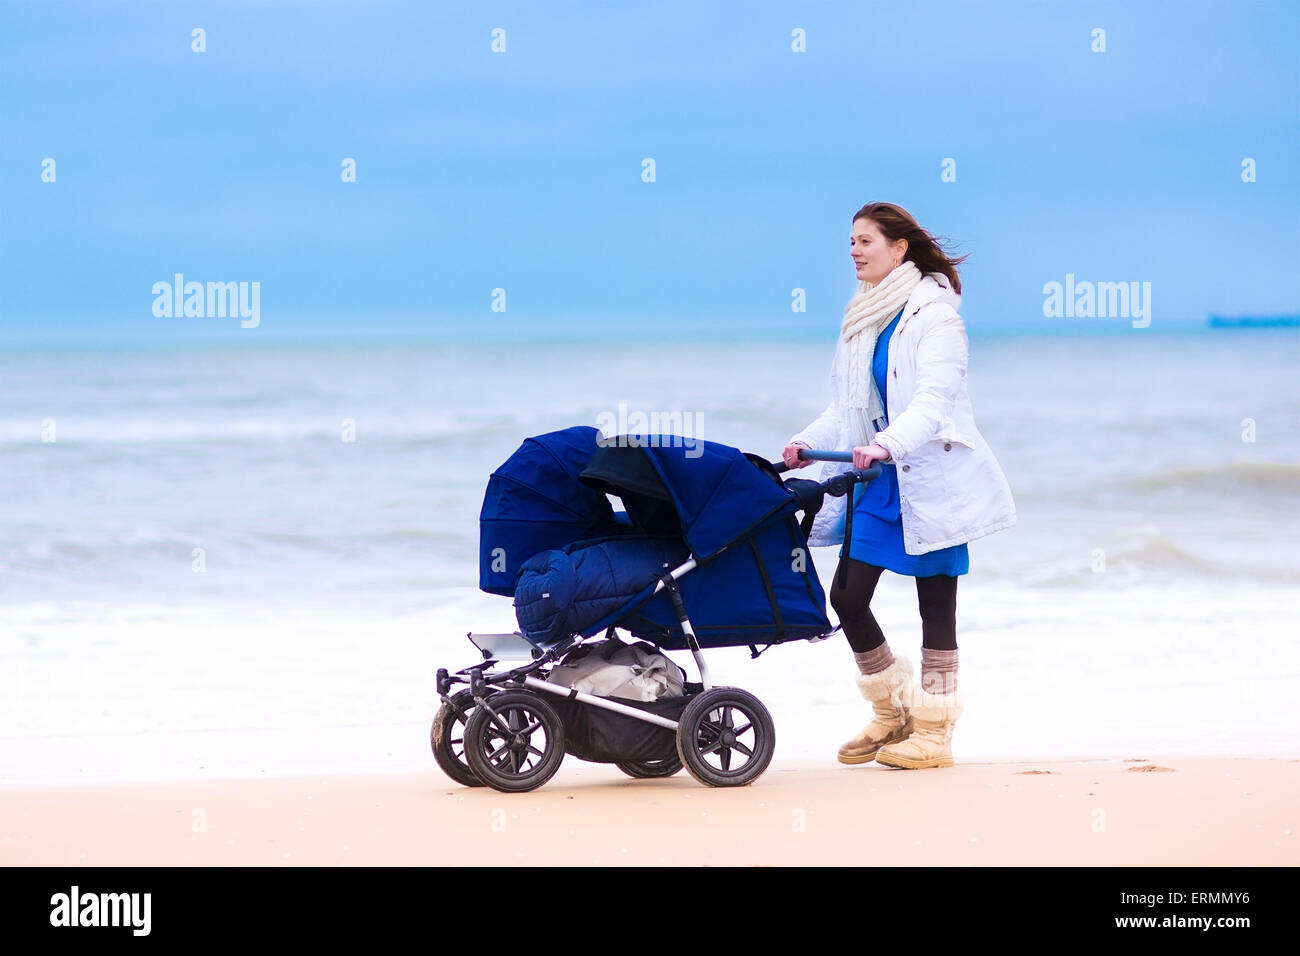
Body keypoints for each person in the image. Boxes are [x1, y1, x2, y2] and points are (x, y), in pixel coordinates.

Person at [782, 202, 1016, 770]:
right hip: (877, 484)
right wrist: (800, 443)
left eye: (866, 241)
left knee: (935, 607)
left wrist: (888, 445)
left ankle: (935, 732)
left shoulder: (937, 319)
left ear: (900, 248)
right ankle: (892, 713)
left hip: (927, 480)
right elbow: (847, 408)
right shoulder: (863, 318)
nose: (855, 252)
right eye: (852, 244)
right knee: (846, 598)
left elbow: (933, 405)